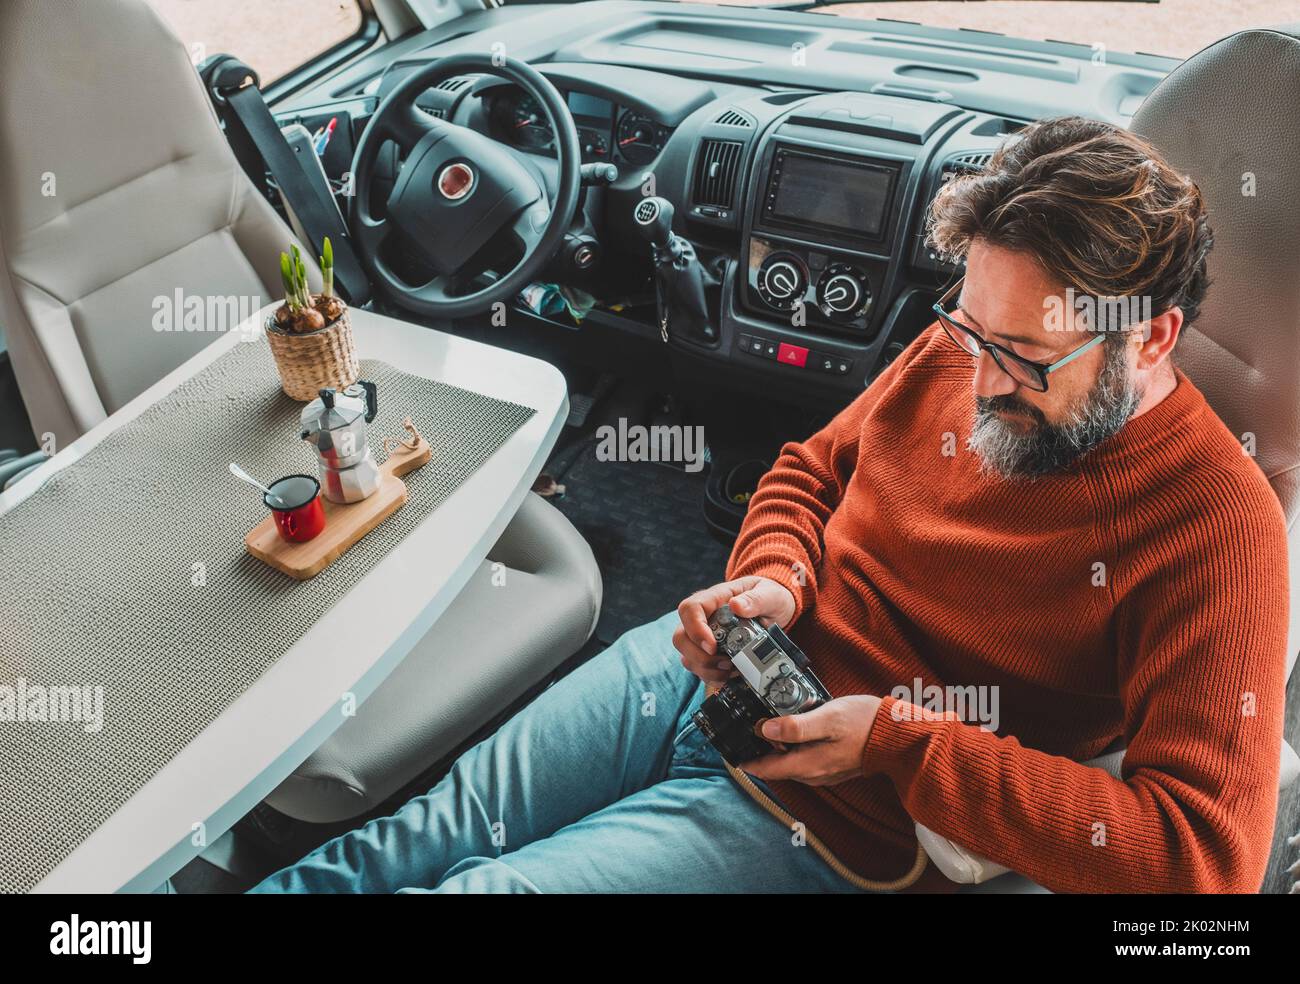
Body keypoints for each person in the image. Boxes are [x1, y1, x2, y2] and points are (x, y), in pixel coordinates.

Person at [250, 116, 1288, 894]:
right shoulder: (962, 343)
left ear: (1147, 337)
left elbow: (1202, 860)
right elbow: (810, 469)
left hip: (835, 810)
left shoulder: (1218, 533)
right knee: (404, 843)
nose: (975, 377)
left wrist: (898, 741)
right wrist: (773, 579)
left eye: (1021, 356)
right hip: (707, 663)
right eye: (969, 329)